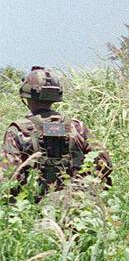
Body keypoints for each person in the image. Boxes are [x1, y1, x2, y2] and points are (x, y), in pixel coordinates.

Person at [2, 67, 112, 197]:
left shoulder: (18, 130)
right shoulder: (77, 127)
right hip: (76, 206)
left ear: (26, 95)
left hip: (32, 208)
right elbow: (105, 165)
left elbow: (8, 178)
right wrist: (80, 188)